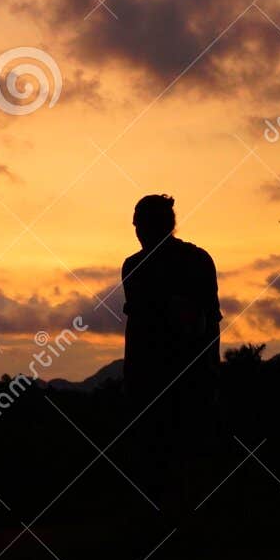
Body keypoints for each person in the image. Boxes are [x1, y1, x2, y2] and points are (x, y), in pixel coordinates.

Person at [120, 195, 221, 515]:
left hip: (181, 375)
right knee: (158, 454)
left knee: (180, 454)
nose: (136, 227)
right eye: (136, 220)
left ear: (162, 224)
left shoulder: (193, 261)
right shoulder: (134, 266)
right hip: (152, 378)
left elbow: (207, 322)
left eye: (141, 220)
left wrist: (208, 371)